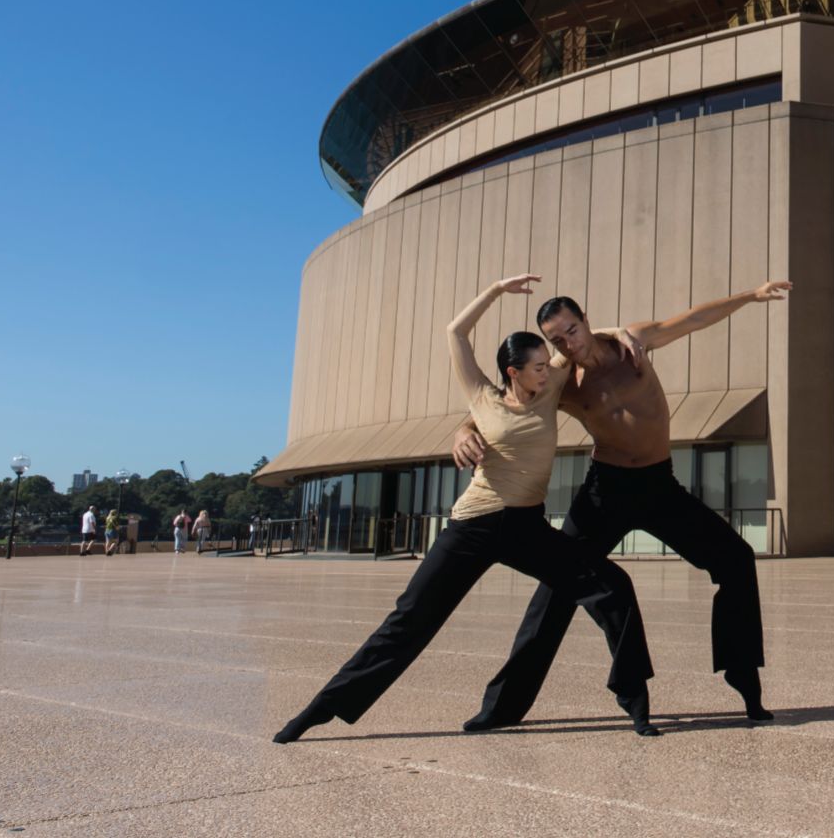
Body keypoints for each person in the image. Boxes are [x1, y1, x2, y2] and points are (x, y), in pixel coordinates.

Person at [275, 274, 659, 744]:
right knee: (408, 623)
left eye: (547, 362)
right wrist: (496, 291)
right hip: (472, 527)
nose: (550, 369)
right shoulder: (482, 397)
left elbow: (583, 341)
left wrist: (621, 333)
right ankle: (320, 711)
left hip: (526, 527)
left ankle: (634, 701)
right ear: (513, 372)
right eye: (537, 365)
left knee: (611, 585)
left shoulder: (554, 382)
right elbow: (455, 333)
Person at [452, 279, 791, 732]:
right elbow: (502, 402)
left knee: (736, 559)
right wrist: (462, 428)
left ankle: (744, 680)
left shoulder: (633, 342)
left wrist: (750, 296)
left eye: (571, 330)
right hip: (605, 491)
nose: (567, 343)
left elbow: (691, 320)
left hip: (659, 486)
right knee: (556, 589)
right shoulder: (560, 380)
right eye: (556, 340)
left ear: (585, 320)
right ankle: (503, 706)